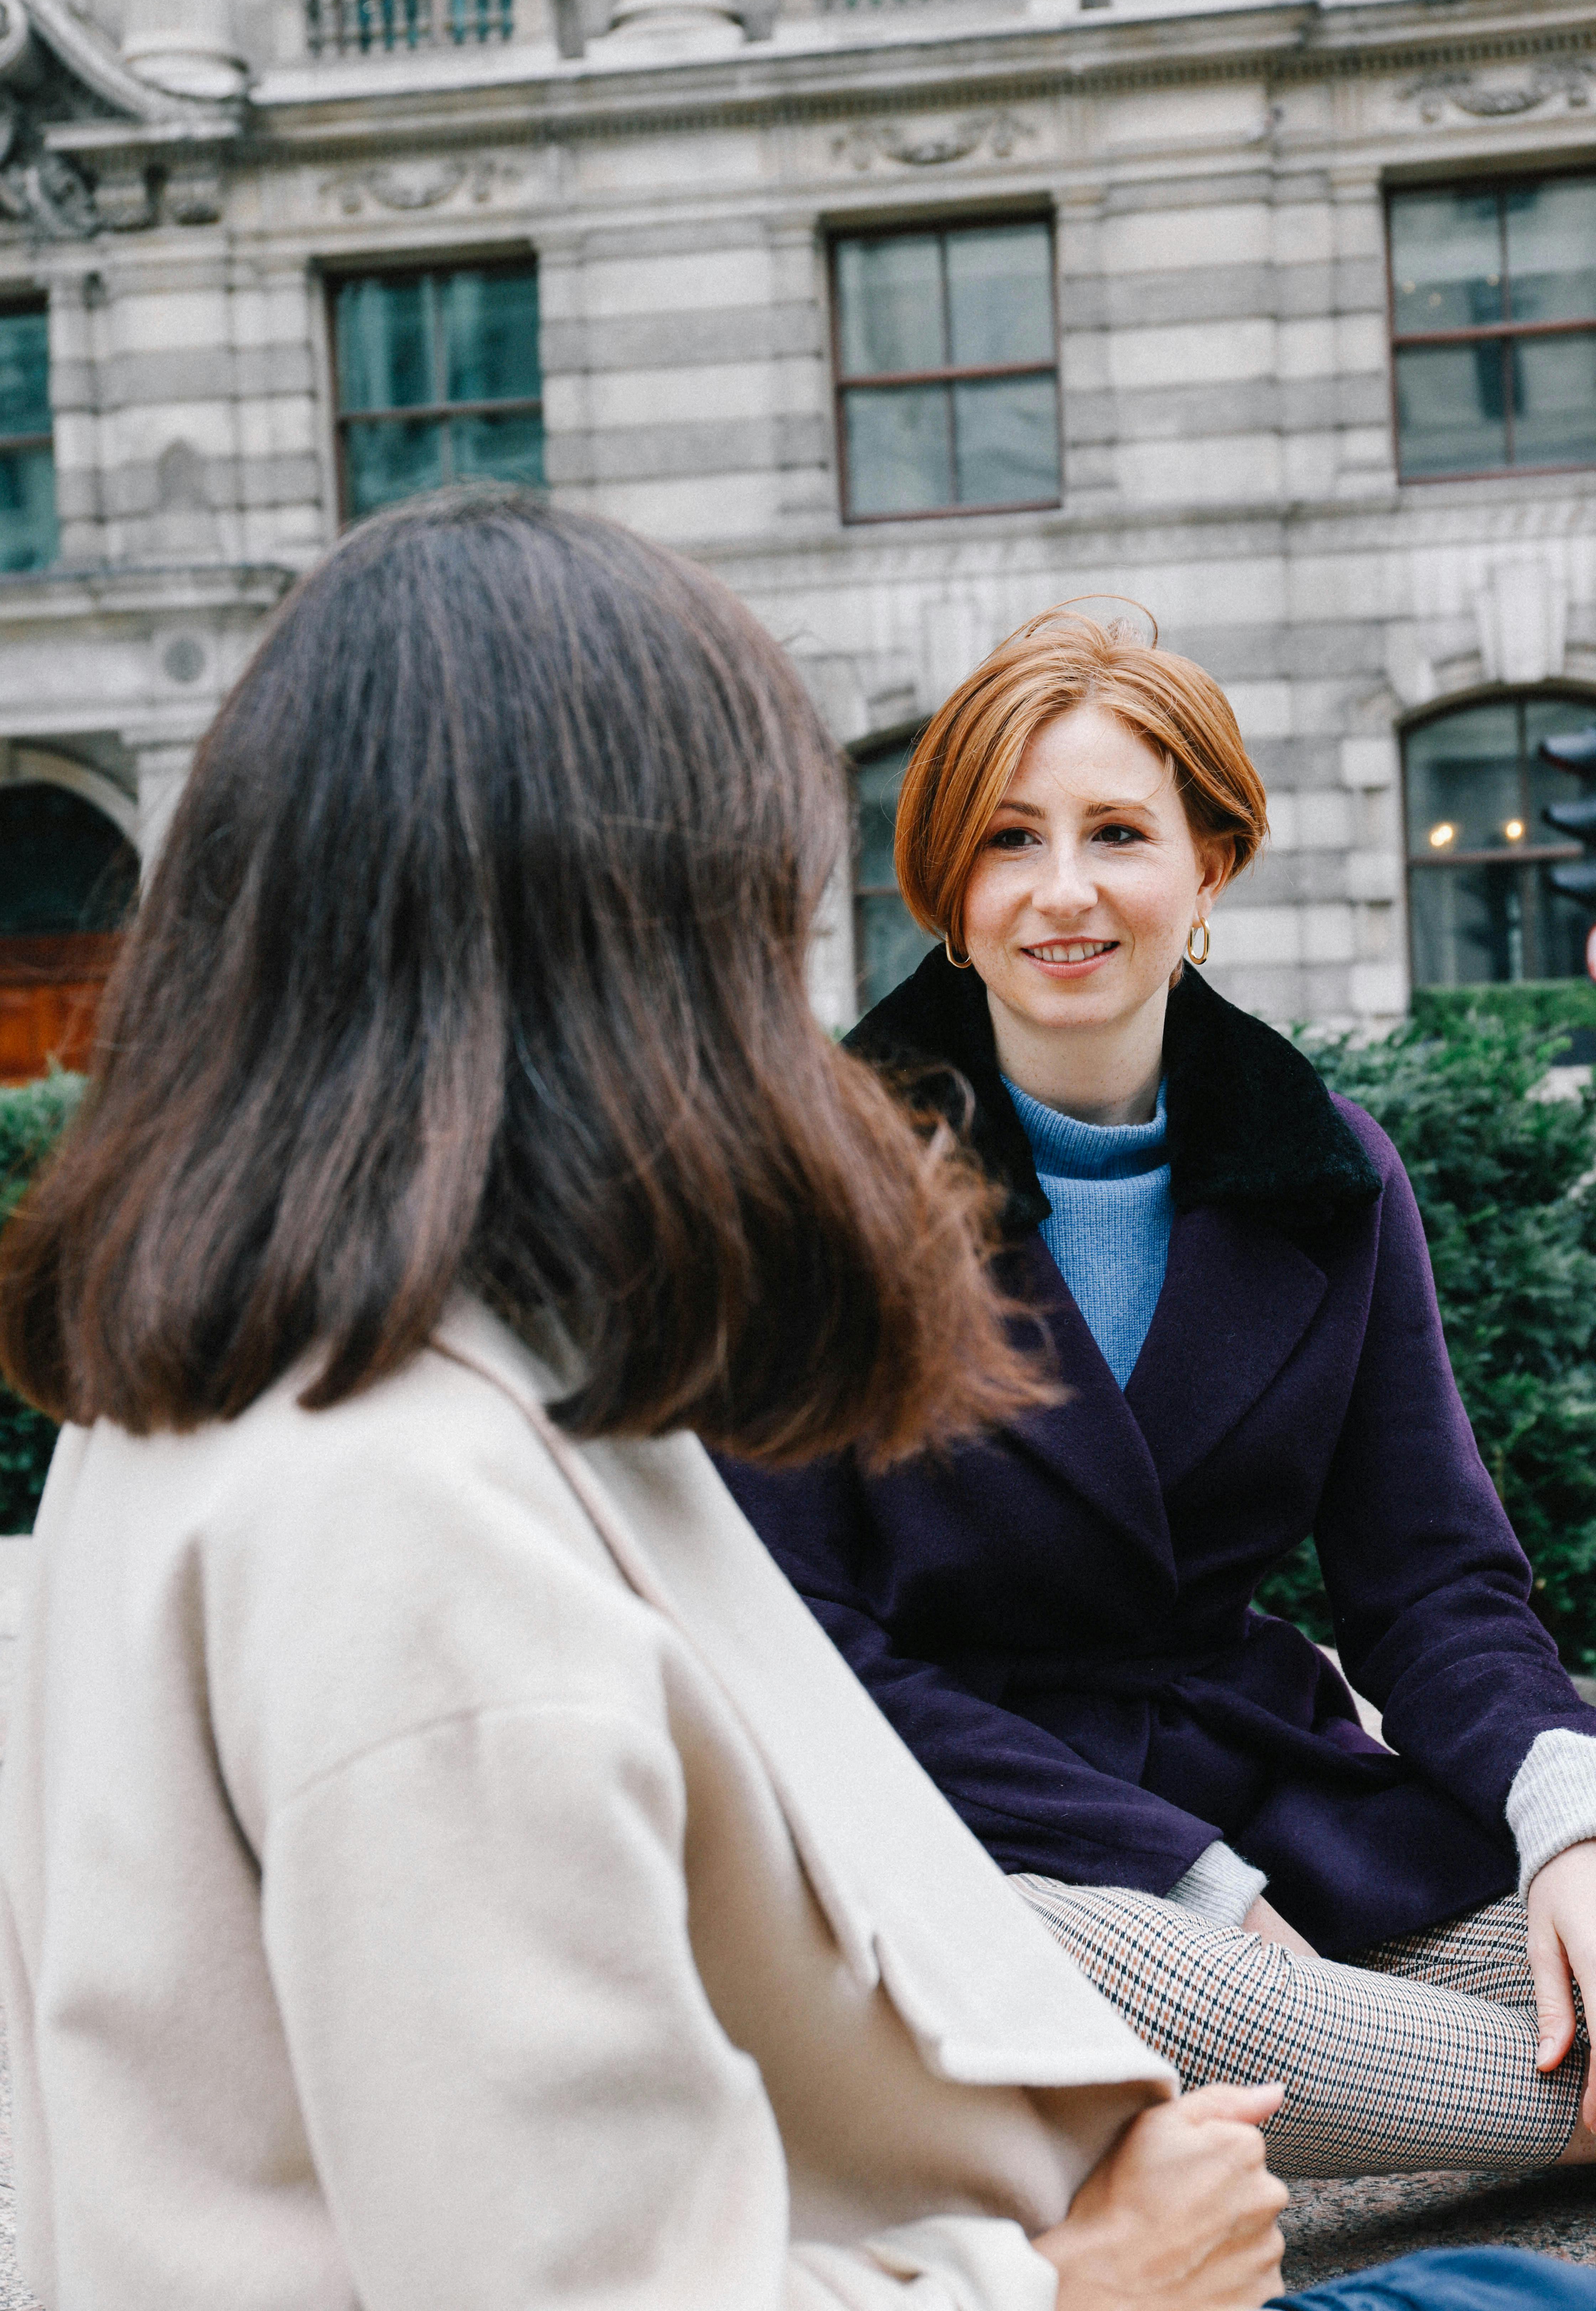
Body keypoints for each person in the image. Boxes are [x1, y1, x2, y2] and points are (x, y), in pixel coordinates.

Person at [0, 492, 1306, 2311]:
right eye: (760, 928)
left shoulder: (263, 1373)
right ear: (639, 957)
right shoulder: (404, 1508)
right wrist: (1089, 2284)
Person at [719, 603, 1596, 2181]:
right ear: (946, 892)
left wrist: (1569, 1825)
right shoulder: (812, 1191)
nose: (1062, 893)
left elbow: (1436, 1588)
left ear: (1209, 865)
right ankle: (1542, 2110)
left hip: (1273, 1801)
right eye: (1007, 841)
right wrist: (1179, 1875)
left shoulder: (1330, 1173)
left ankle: (1439, 2077)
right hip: (967, 1838)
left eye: (1117, 832)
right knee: (1097, 1968)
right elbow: (800, 1653)